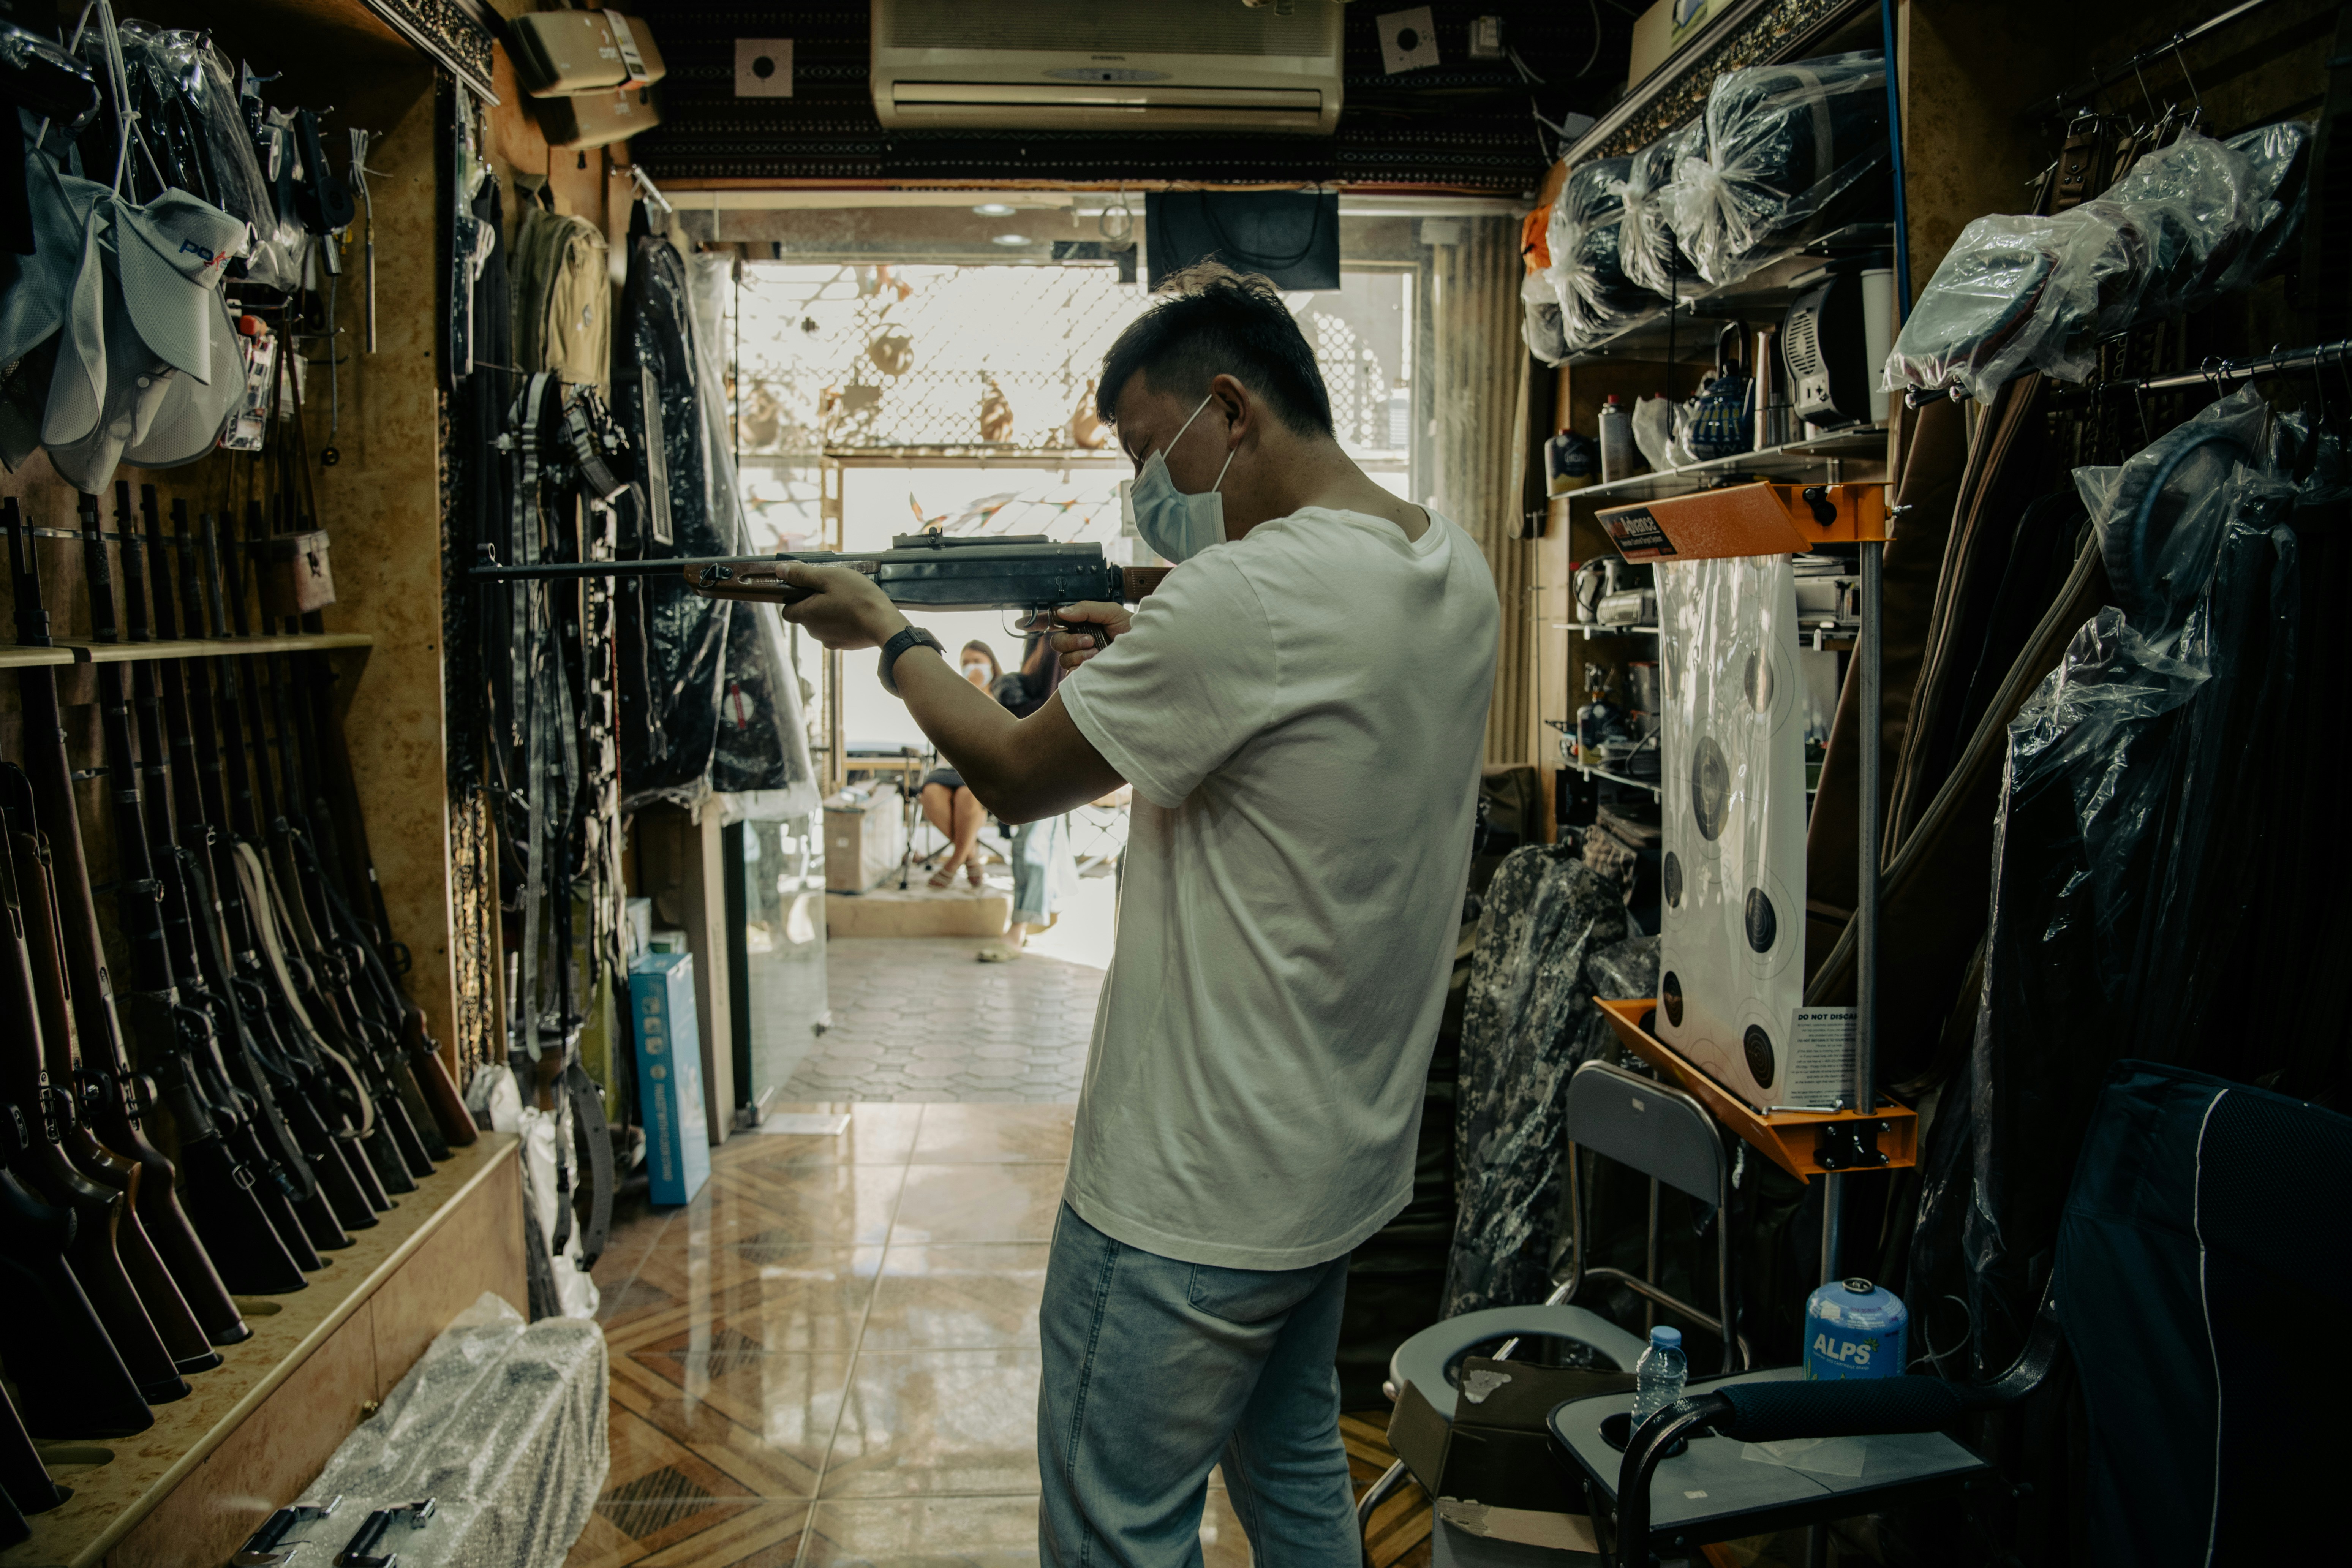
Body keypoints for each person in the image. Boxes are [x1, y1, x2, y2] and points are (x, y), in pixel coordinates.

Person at [775, 262, 1498, 1564]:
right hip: (1330, 1167)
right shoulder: (1445, 561)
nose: (1144, 482)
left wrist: (888, 637)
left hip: (1188, 1188)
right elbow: (1299, 706)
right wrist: (1155, 640)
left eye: (1145, 445)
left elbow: (1012, 776)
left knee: (1119, 1526)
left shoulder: (1245, 597)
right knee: (1292, 1479)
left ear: (1231, 410)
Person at [915, 640, 1001, 887]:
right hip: (948, 765)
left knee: (967, 796)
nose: (971, 667)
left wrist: (977, 692)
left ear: (992, 665)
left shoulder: (1003, 695)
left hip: (981, 767)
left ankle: (953, 863)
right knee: (930, 794)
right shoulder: (952, 694)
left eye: (977, 662)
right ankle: (970, 855)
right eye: (966, 663)